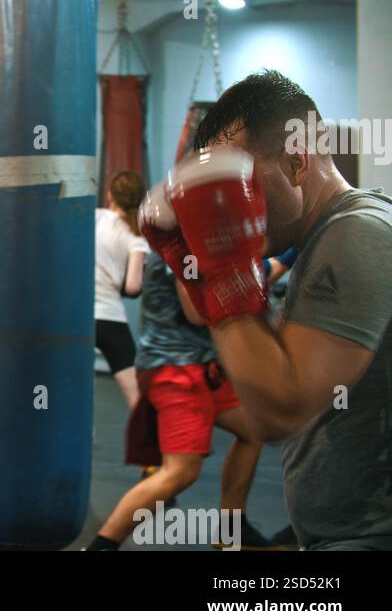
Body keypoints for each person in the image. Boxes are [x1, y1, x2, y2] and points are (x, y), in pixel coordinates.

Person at [143, 70, 392, 551]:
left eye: (243, 184)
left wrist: (222, 275)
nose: (235, 205)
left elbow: (278, 411)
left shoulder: (357, 233)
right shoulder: (321, 238)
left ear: (298, 161)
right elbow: (212, 326)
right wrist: (194, 265)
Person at [85, 219, 283, 551]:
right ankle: (101, 546)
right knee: (179, 472)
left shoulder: (202, 242)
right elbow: (195, 311)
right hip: (176, 371)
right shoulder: (184, 249)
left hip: (203, 367)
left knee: (254, 431)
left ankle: (234, 528)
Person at [95, 170, 149, 409]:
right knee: (135, 395)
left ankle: (82, 437)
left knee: (70, 384)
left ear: (109, 195)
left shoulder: (93, 218)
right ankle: (148, 443)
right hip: (110, 316)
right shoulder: (136, 236)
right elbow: (133, 286)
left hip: (78, 316)